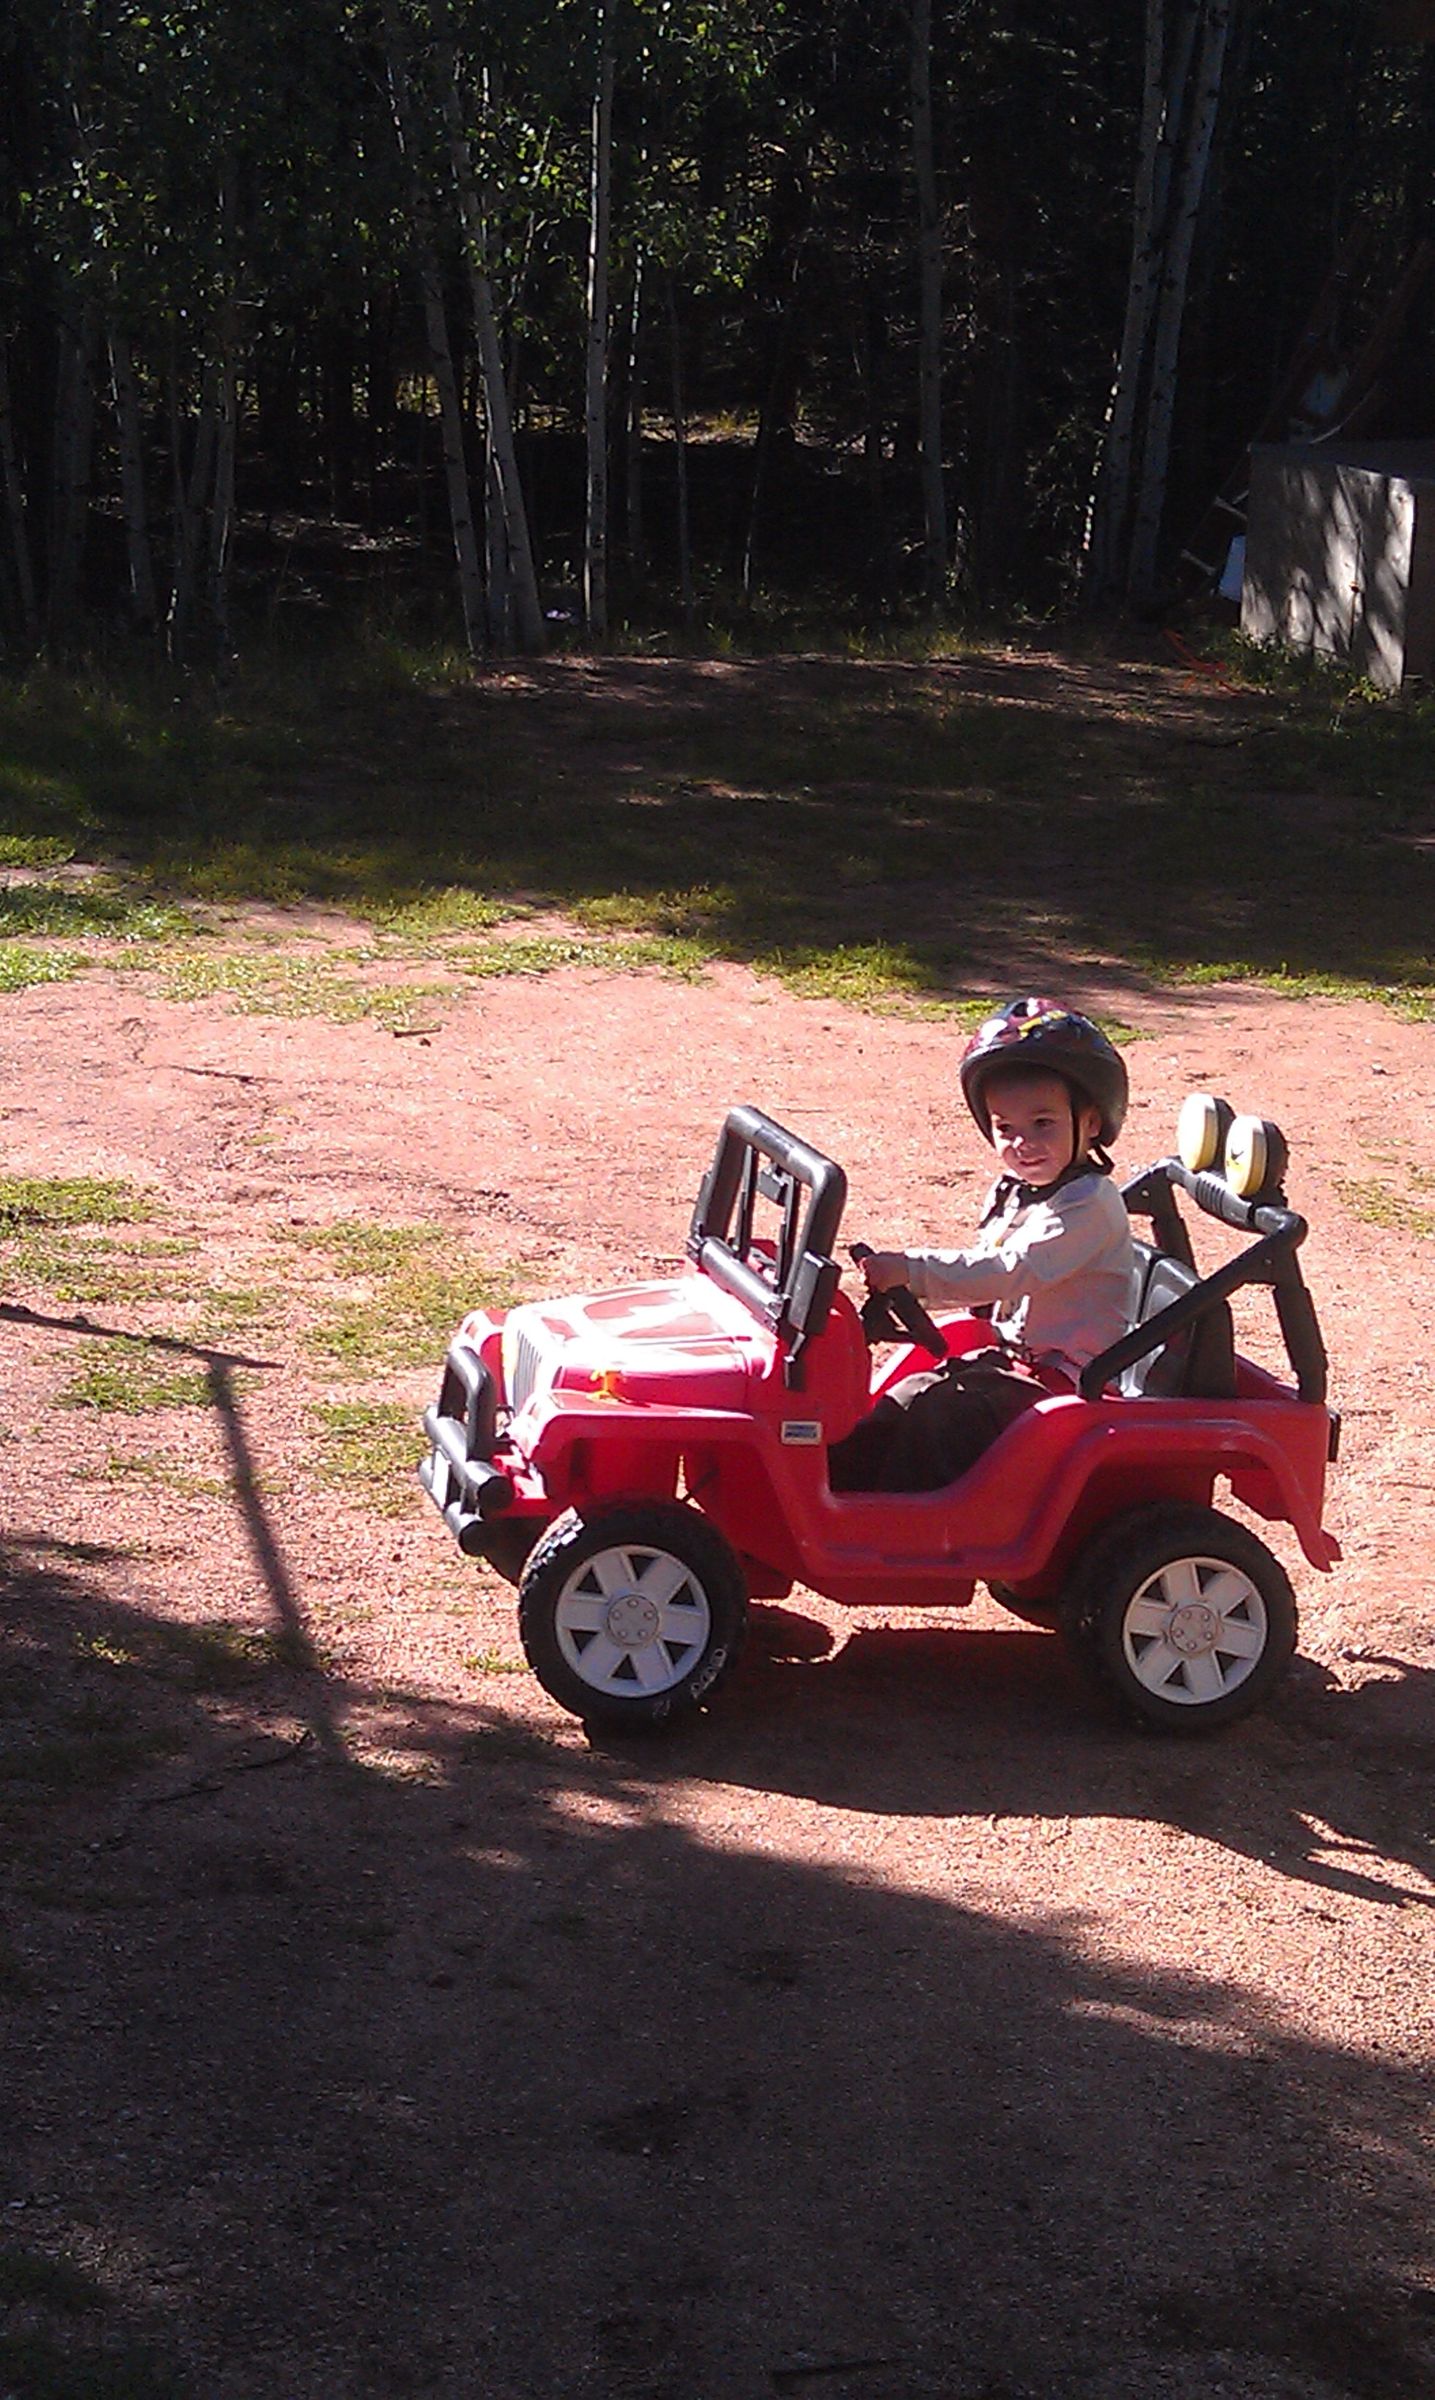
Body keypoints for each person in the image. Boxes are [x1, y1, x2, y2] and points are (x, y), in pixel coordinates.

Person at [828, 998, 1138, 1493]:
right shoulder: (1018, 1192)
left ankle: (910, 1542)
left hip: (1067, 1386)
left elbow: (1007, 1270)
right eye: (1005, 1128)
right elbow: (984, 1280)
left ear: (1092, 1122)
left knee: (946, 1417)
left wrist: (911, 1270)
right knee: (906, 1398)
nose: (1023, 1143)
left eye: (1044, 1124)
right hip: (1012, 1362)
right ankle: (835, 1495)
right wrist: (910, 1289)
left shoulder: (1088, 1206)